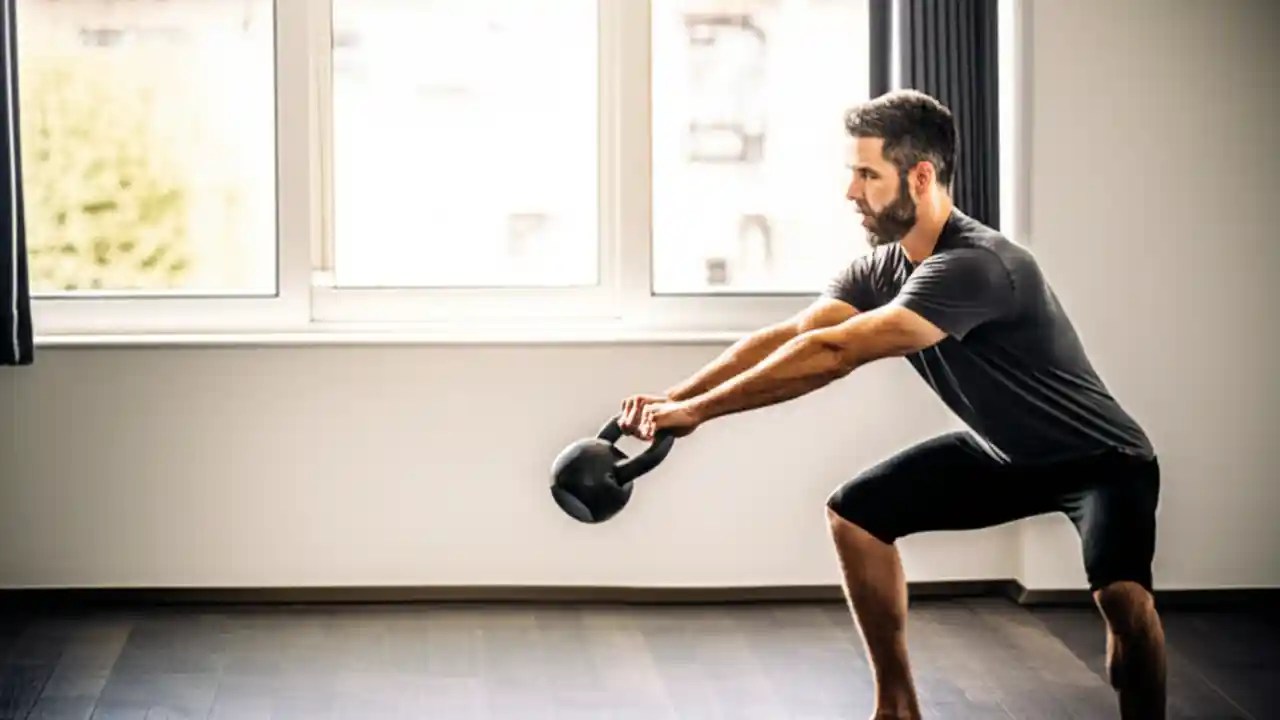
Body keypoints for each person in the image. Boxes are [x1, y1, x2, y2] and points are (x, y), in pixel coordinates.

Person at [618, 89, 1166, 720]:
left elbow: (835, 353)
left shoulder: (978, 267)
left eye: (867, 174)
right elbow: (796, 335)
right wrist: (677, 398)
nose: (851, 191)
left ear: (920, 176)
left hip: (1102, 458)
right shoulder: (879, 269)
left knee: (1123, 605)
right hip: (1006, 454)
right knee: (858, 514)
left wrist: (702, 413)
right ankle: (897, 705)